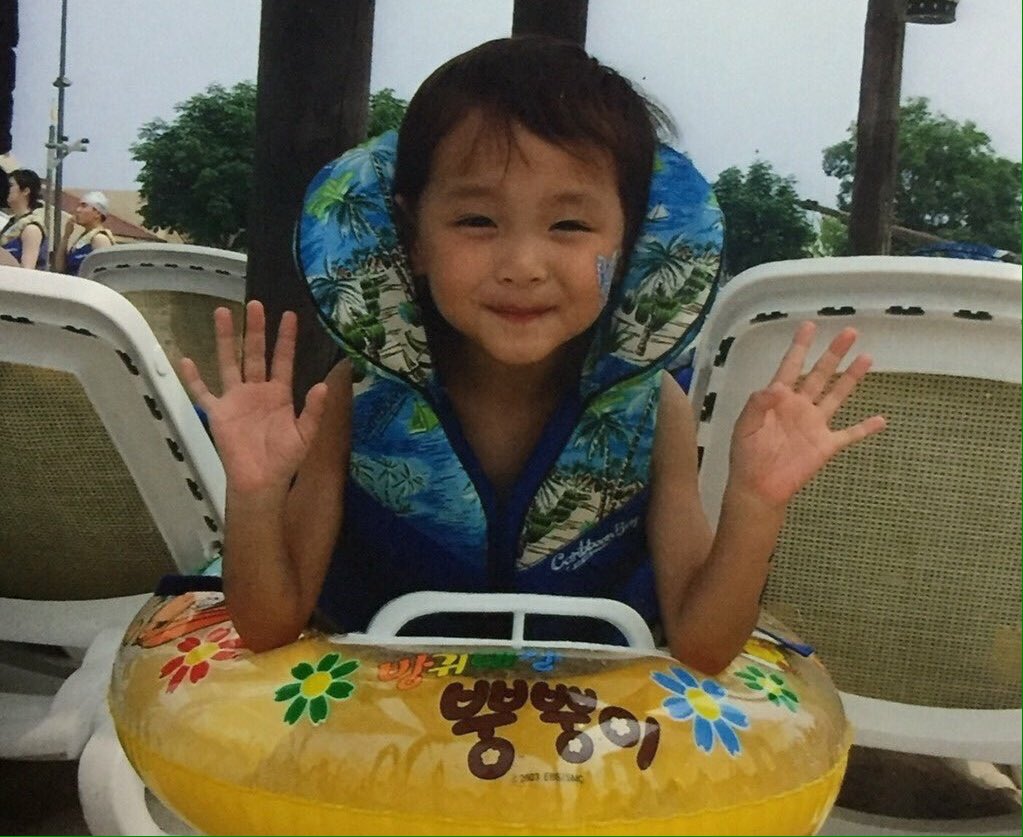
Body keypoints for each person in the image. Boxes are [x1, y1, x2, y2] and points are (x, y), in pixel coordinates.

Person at [181, 37, 885, 671]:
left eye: (569, 224)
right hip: (386, 723)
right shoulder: (358, 399)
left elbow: (703, 645)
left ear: (629, 246)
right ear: (413, 238)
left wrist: (754, 503)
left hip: (583, 739)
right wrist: (255, 493)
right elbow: (270, 625)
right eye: (476, 220)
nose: (522, 265)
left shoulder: (651, 410)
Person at [55, 190, 115, 275]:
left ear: (97, 213)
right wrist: (66, 236)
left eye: (84, 206)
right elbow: (59, 267)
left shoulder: (100, 239)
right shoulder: (82, 239)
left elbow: (103, 274)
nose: (78, 210)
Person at [1, 168, 46, 269]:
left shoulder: (31, 228)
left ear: (26, 191)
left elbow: (27, 270)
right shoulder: (9, 225)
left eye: (10, 186)